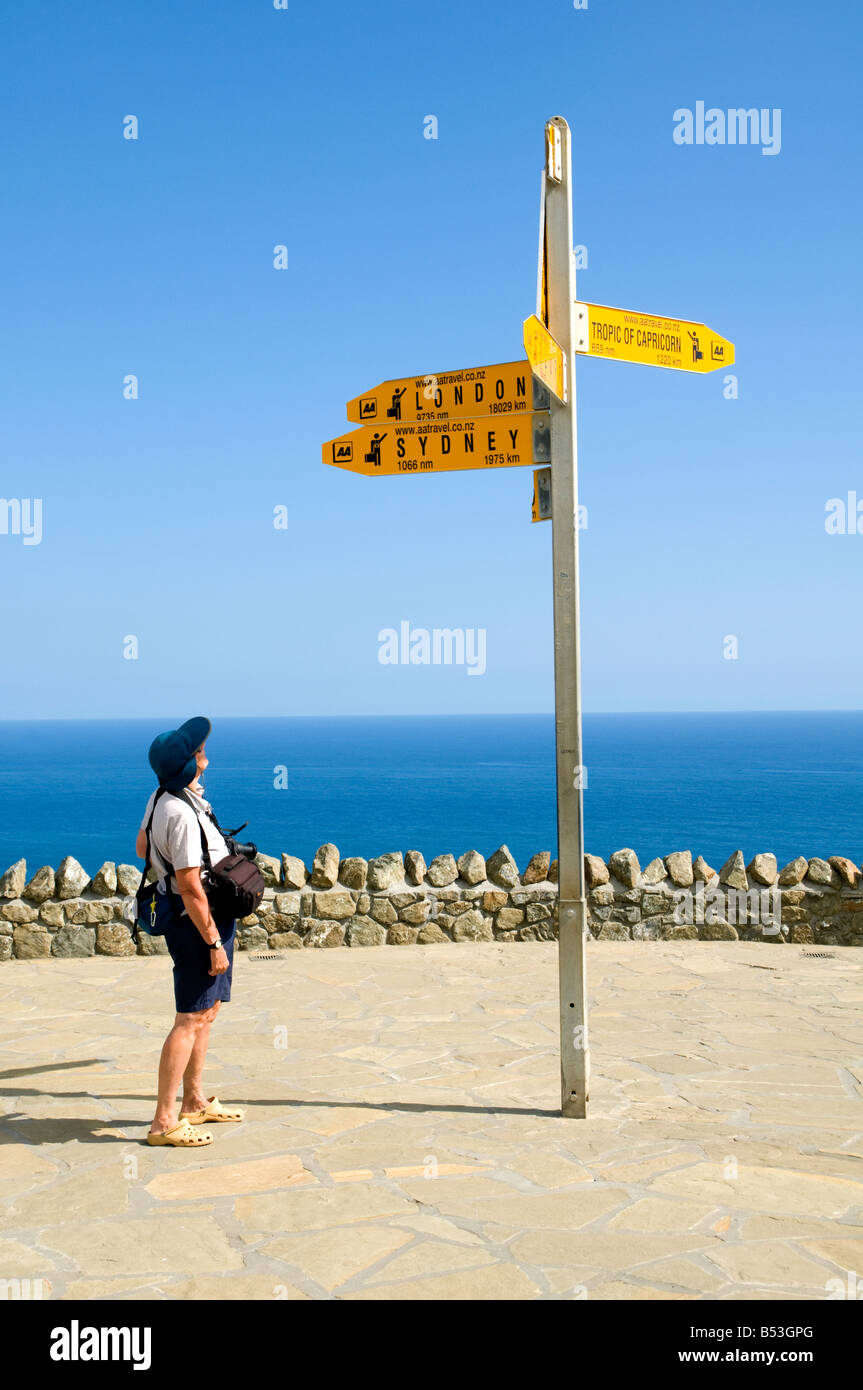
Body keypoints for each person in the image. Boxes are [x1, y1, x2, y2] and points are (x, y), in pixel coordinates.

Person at [136, 716, 245, 1147]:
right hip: (196, 922)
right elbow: (188, 884)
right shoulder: (178, 812)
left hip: (204, 916)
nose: (208, 757)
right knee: (189, 1018)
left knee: (208, 1010)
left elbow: (143, 848)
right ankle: (163, 1122)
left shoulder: (164, 796)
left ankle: (194, 1102)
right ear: (191, 763)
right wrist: (214, 941)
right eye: (201, 753)